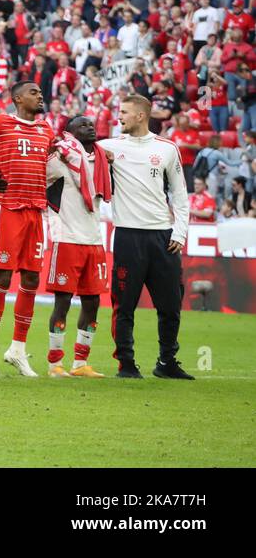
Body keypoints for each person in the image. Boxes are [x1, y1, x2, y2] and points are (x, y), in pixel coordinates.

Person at [98, 95, 193, 379]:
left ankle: (167, 363)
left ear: (141, 116)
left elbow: (179, 193)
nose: (119, 117)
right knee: (124, 305)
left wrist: (180, 231)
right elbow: (72, 151)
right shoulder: (107, 147)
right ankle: (126, 363)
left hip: (164, 237)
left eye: (124, 112)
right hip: (127, 236)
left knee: (171, 306)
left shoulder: (166, 149)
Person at [0, 81, 55, 377]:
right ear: (17, 98)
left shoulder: (46, 129)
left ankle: (17, 349)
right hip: (7, 208)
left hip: (35, 209)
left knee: (32, 278)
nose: (40, 95)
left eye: (40, 92)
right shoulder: (0, 122)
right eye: (33, 92)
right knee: (3, 277)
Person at [43, 116, 113, 378]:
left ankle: (81, 363)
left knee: (93, 301)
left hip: (94, 239)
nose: (90, 127)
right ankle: (55, 364)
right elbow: (39, 174)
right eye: (82, 125)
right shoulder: (60, 159)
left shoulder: (102, 159)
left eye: (92, 124)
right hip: (67, 237)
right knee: (63, 301)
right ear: (70, 132)